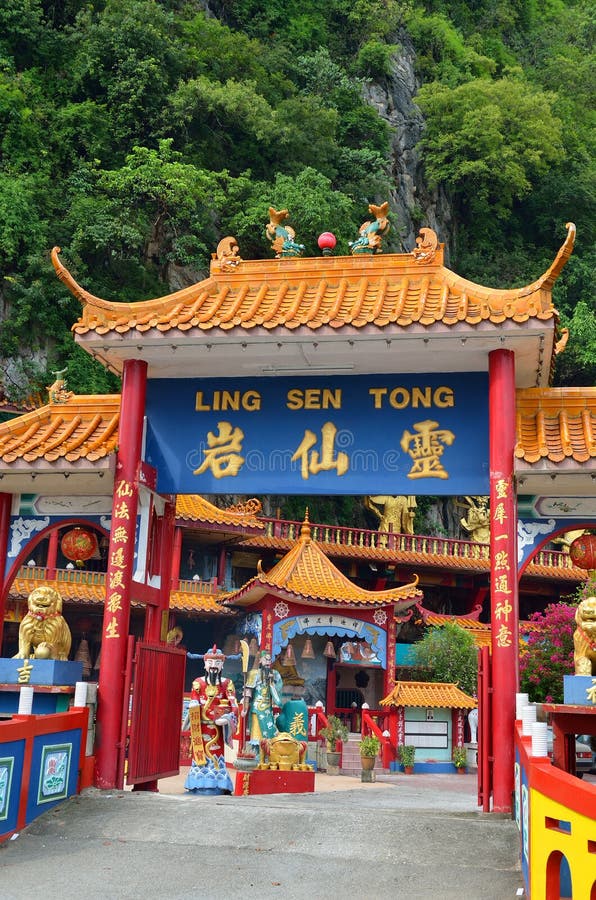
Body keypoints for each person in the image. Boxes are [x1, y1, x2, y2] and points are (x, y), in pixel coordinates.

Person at [184, 645, 238, 794]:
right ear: (205, 664)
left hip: (218, 729)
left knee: (216, 755)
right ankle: (197, 784)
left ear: (222, 665)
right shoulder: (198, 682)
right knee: (199, 755)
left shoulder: (227, 684)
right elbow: (193, 700)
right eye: (210, 662)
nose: (214, 666)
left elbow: (234, 705)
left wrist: (227, 718)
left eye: (217, 663)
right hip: (201, 727)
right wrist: (194, 705)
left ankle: (218, 784)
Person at [242, 650, 284, 752]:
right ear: (260, 660)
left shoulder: (275, 673)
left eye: (270, 660)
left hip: (268, 709)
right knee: (257, 733)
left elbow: (279, 687)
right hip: (257, 709)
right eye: (266, 659)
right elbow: (248, 691)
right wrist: (245, 707)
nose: (268, 662)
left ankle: (268, 752)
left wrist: (272, 681)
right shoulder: (254, 673)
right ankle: (256, 752)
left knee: (270, 731)